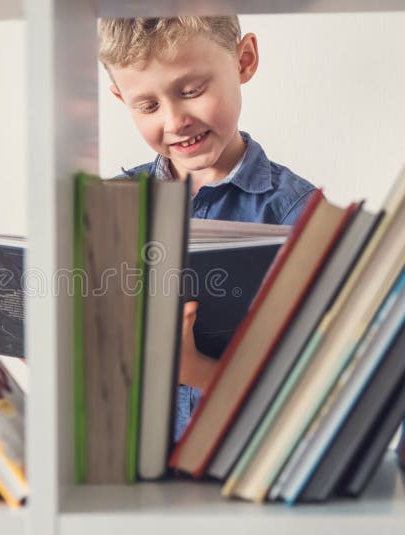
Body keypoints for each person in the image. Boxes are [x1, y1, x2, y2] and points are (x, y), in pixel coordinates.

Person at [98, 16, 317, 440]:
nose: (175, 120)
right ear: (120, 98)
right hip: (126, 477)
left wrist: (193, 369)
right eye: (148, 106)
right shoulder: (109, 208)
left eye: (192, 91)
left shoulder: (295, 214)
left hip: (238, 471)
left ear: (244, 60)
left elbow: (311, 389)